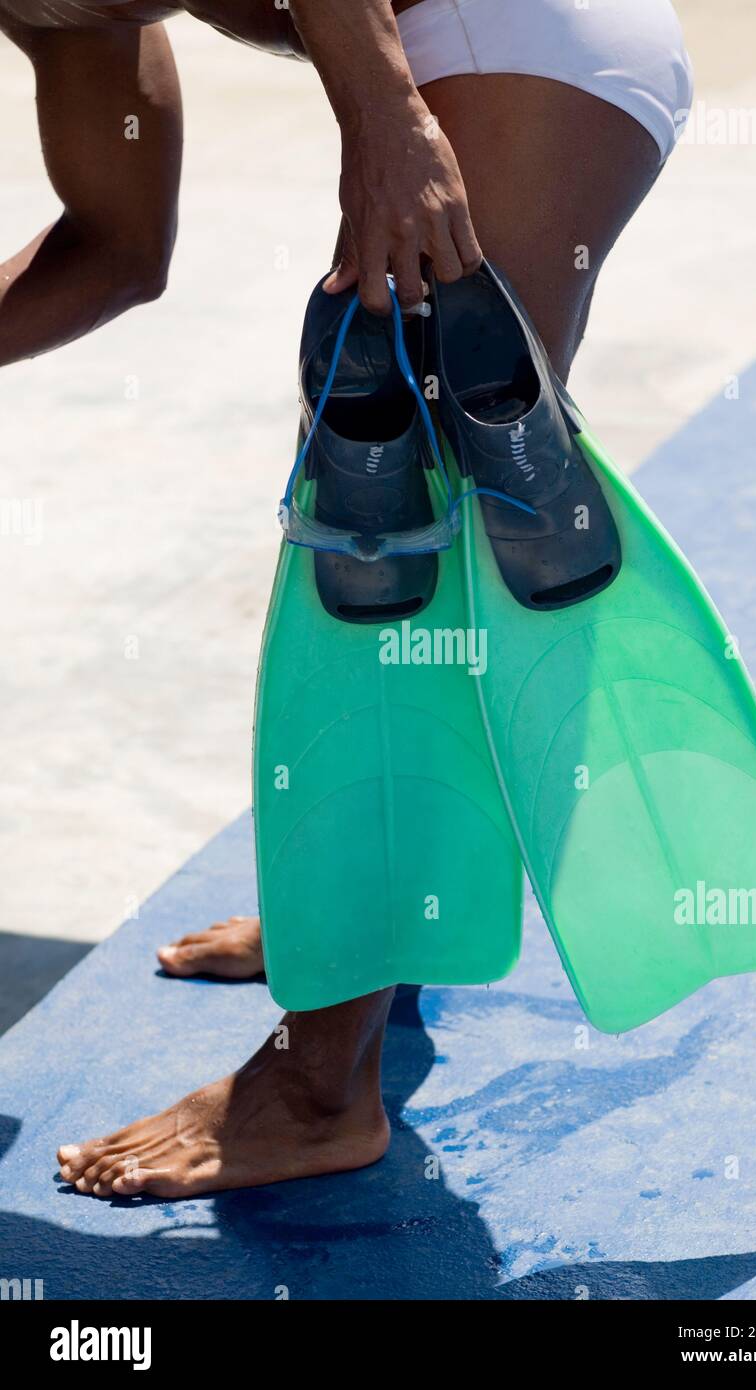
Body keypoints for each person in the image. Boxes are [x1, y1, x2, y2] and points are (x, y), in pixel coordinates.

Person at [1, 0, 692, 1197]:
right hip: (453, 53)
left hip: (507, 32)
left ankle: (318, 1090)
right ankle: (380, 910)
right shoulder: (60, 17)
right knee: (384, 510)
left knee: (401, 546)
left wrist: (390, 128)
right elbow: (117, 245)